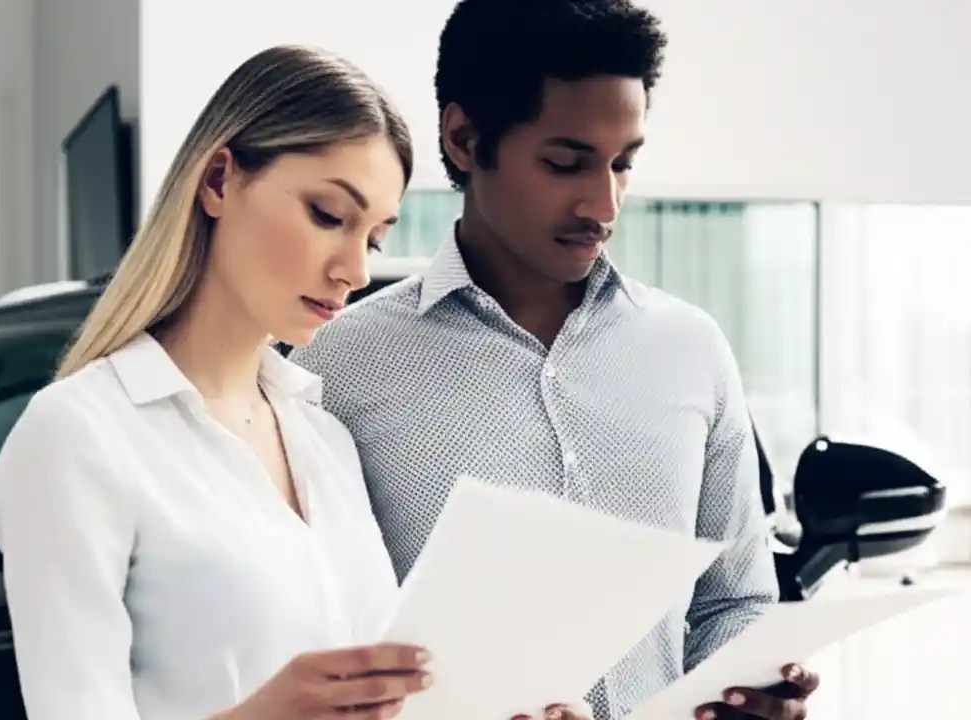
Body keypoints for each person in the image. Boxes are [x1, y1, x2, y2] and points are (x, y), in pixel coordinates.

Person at [288, 2, 821, 720]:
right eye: (566, 163)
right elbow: (319, 634)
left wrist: (753, 690)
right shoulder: (338, 365)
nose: (604, 203)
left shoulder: (691, 350)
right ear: (466, 137)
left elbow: (735, 599)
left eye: (623, 163)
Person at [0, 46, 438, 720]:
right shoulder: (78, 436)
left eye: (373, 238)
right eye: (327, 215)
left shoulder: (325, 438)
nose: (355, 269)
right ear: (220, 180)